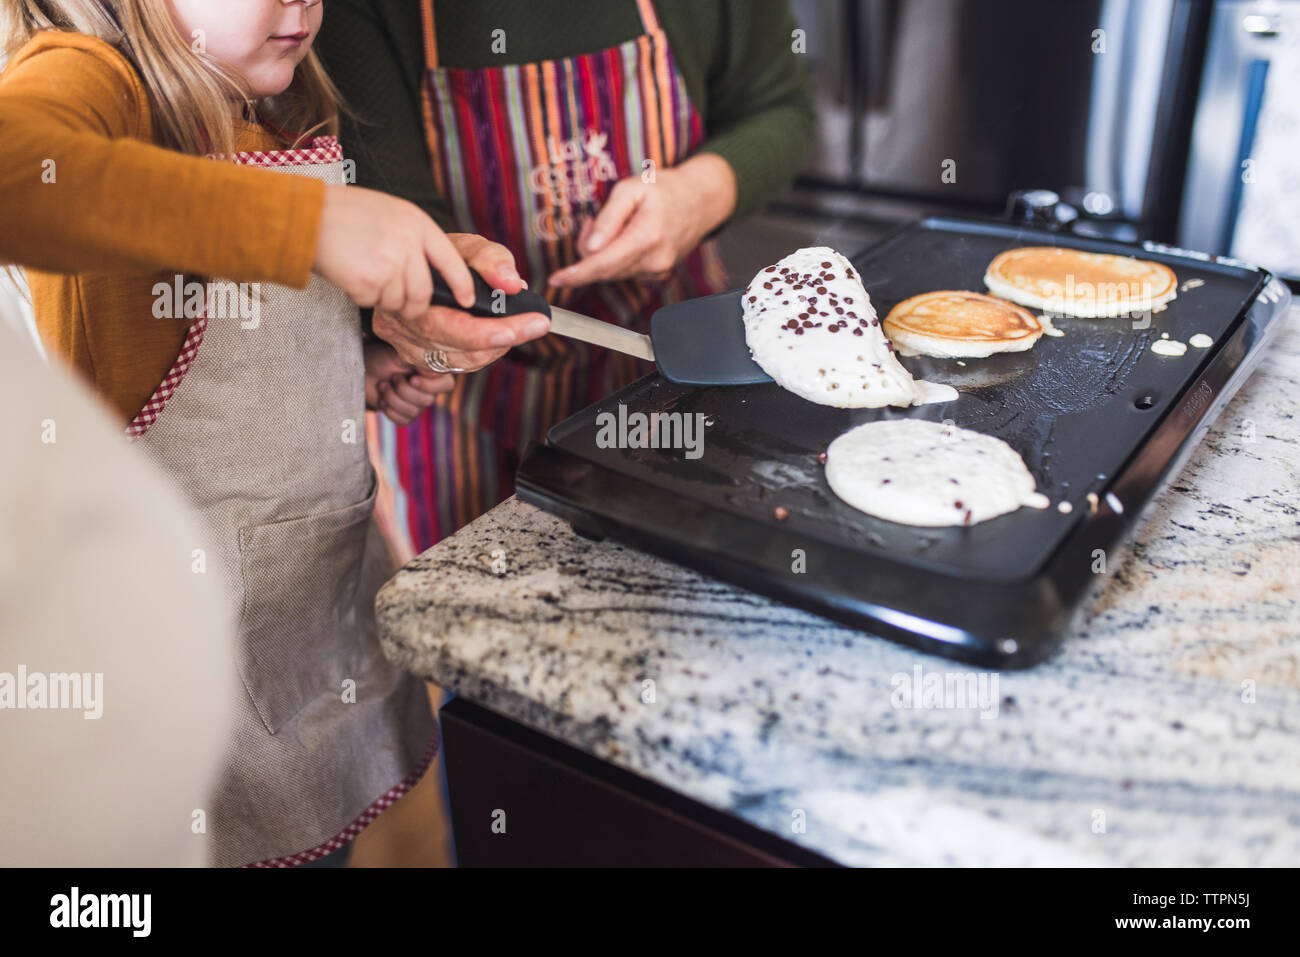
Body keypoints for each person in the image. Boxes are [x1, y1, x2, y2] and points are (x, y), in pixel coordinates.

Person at [0, 0, 545, 865]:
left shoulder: (271, 99)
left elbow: (236, 369)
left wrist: (357, 368)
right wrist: (313, 225)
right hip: (184, 682)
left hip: (309, 618)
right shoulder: (90, 74)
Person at [317, 0, 815, 555]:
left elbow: (781, 107)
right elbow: (367, 208)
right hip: (459, 406)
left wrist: (698, 194)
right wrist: (407, 307)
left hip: (673, 369)